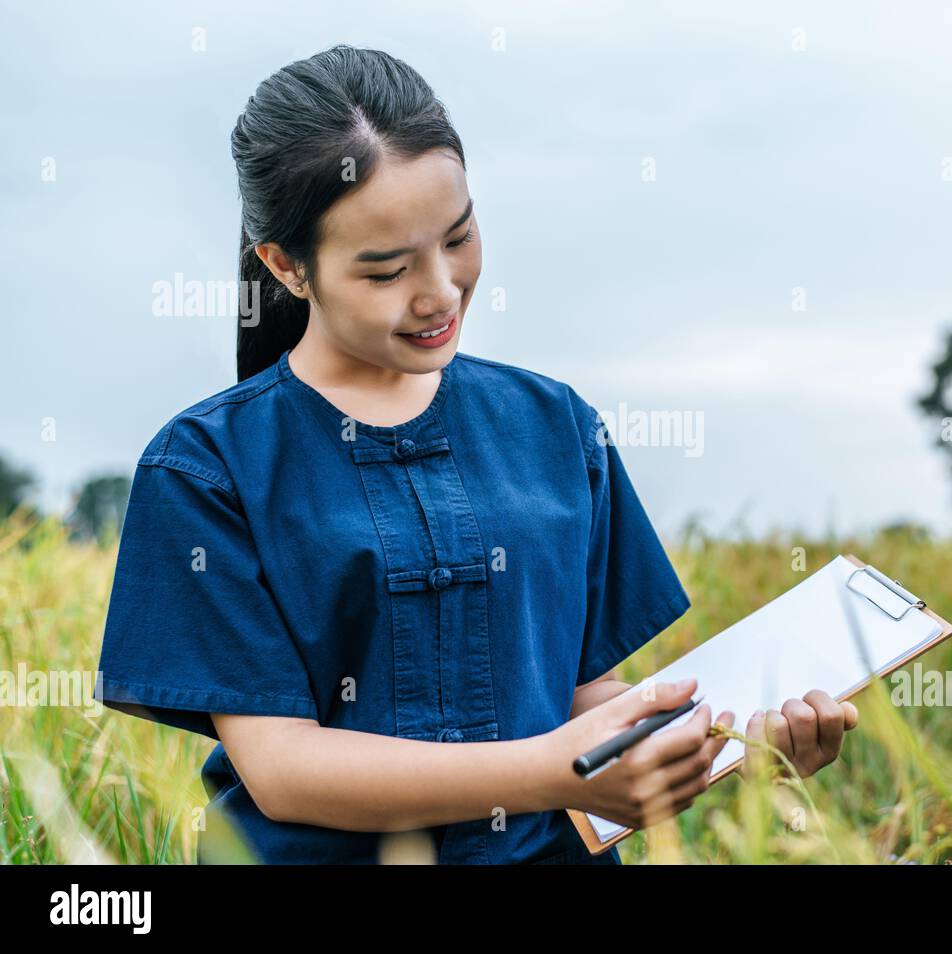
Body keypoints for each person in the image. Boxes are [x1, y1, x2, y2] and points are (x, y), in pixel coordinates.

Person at [95, 44, 856, 865]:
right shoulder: (204, 468)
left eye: (457, 238)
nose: (440, 292)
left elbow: (588, 705)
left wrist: (729, 744)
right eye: (385, 270)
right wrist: (552, 772)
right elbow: (284, 770)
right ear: (286, 267)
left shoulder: (557, 426)